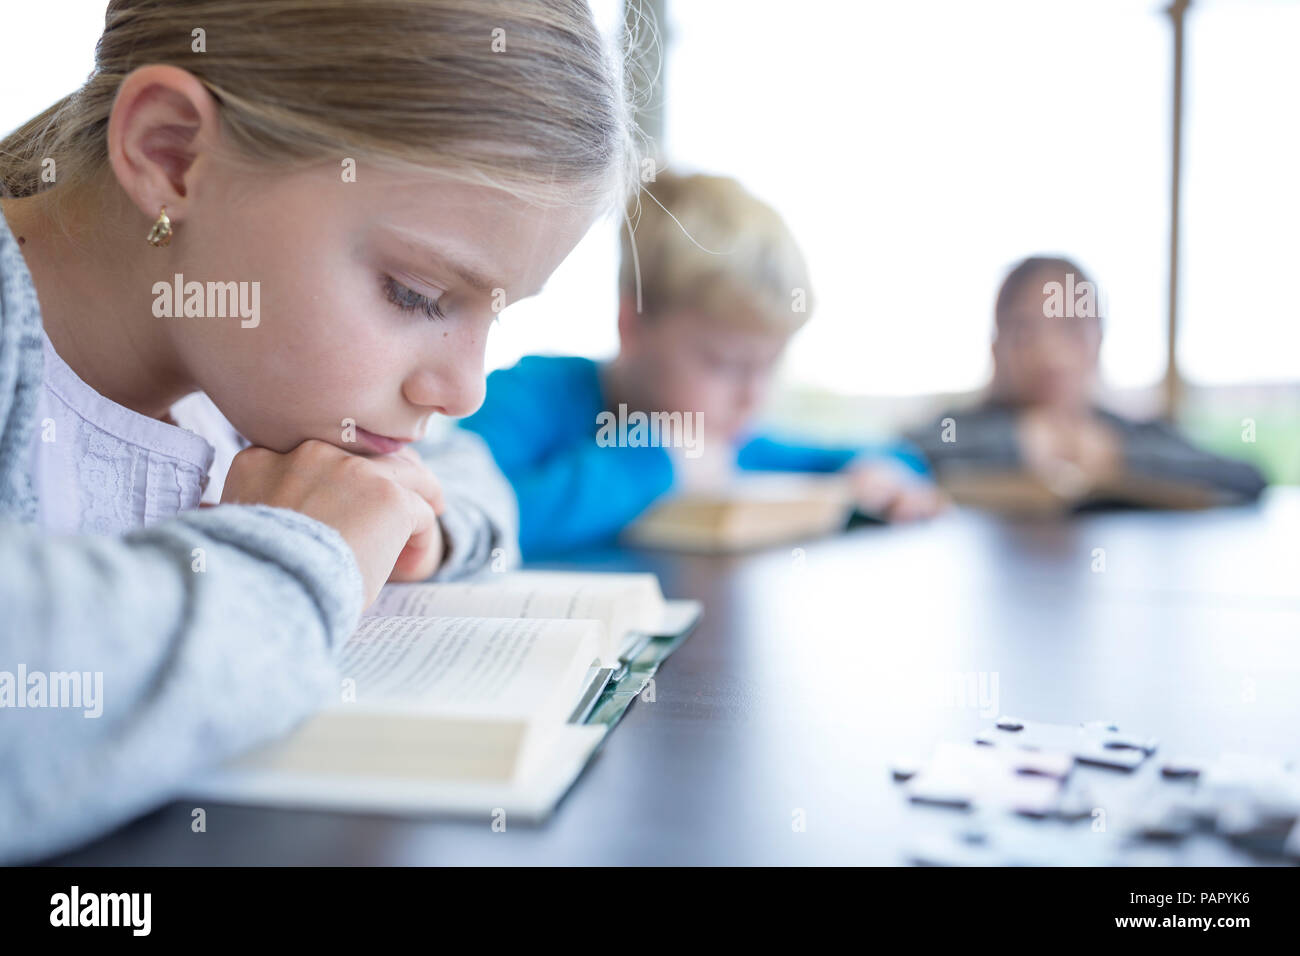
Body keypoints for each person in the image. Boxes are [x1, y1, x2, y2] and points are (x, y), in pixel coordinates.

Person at [0, 0, 640, 863]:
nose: (463, 389)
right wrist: (303, 552)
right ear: (172, 155)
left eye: (497, 315)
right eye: (416, 294)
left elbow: (465, 468)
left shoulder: (256, 367)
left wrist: (414, 520)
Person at [460, 171, 944, 558]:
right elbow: (462, 510)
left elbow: (862, 456)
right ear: (633, 327)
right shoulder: (532, 397)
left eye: (769, 366)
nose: (753, 395)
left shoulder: (723, 440)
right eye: (727, 364)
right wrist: (659, 459)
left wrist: (884, 471)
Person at [907, 255, 1267, 505]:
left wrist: (1117, 455)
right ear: (996, 345)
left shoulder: (1130, 435)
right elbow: (898, 453)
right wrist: (1016, 443)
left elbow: (1248, 475)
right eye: (1025, 331)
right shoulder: (957, 429)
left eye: (1070, 328)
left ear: (1098, 338)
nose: (1049, 353)